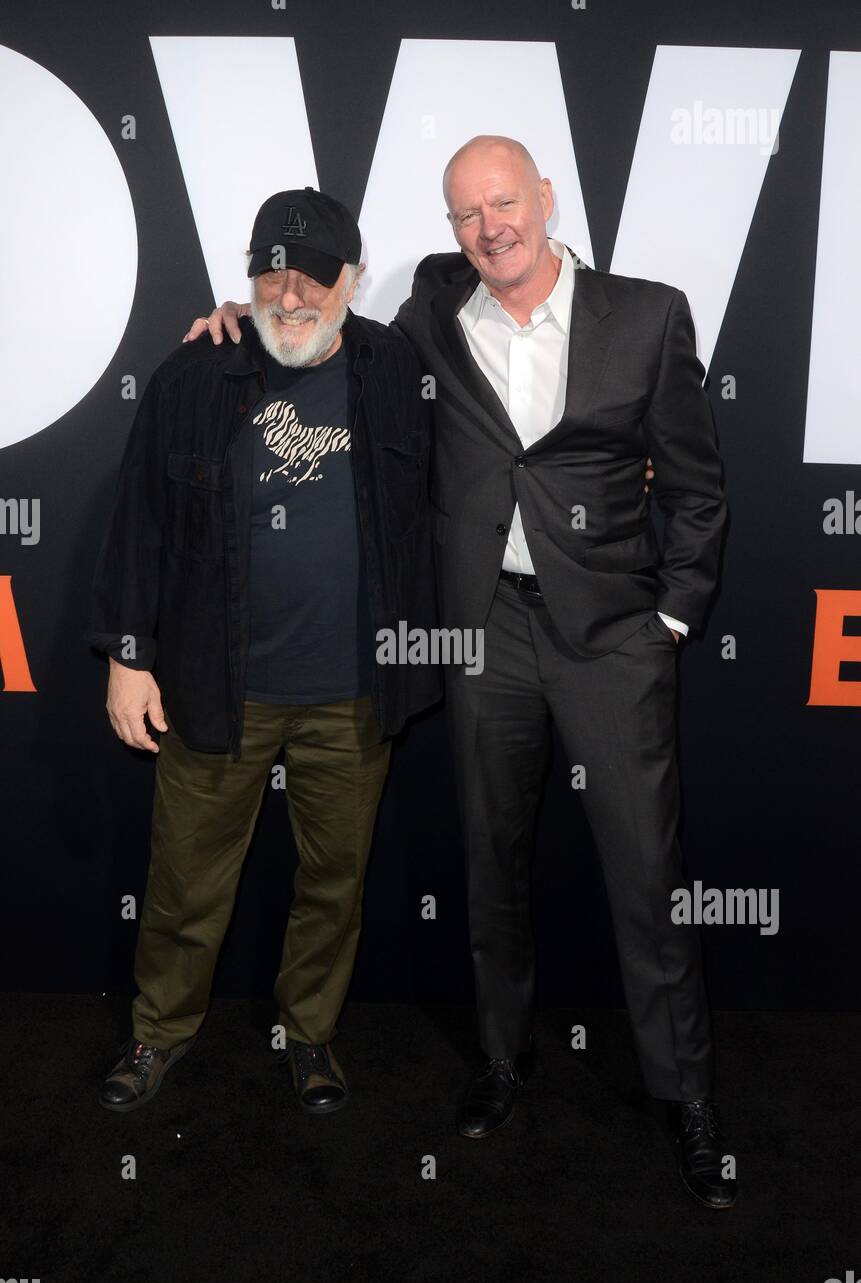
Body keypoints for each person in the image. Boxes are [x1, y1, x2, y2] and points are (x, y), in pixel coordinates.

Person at [187, 137, 734, 1210]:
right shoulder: (437, 307)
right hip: (483, 632)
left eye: (504, 203)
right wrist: (239, 317)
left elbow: (701, 486)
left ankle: (690, 1100)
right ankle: (501, 1060)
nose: (490, 227)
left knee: (647, 878)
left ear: (546, 199)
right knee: (493, 870)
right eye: (466, 214)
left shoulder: (650, 313)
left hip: (613, 635)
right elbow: (318, 322)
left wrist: (672, 614)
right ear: (450, 233)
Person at [86, 188, 441, 1116]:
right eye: (271, 276)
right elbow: (139, 524)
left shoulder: (399, 369)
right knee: (183, 883)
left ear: (350, 280)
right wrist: (130, 655)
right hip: (215, 687)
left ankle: (312, 1035)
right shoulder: (194, 375)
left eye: (313, 278)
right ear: (249, 278)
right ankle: (157, 1034)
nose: (290, 297)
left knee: (334, 883)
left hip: (354, 693)